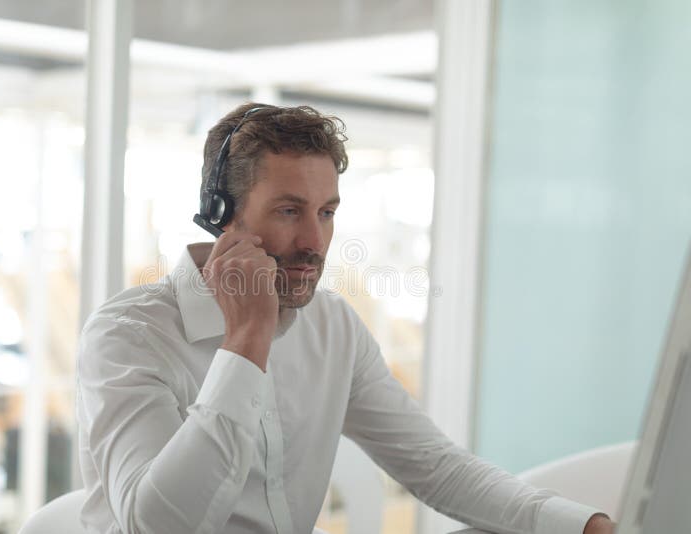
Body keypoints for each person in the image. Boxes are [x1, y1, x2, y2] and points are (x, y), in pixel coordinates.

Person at [76, 103, 615, 534]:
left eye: (327, 212)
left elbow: (434, 466)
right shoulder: (128, 337)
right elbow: (158, 525)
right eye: (290, 211)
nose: (315, 242)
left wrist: (582, 525)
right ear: (222, 215)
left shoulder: (333, 328)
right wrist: (247, 340)